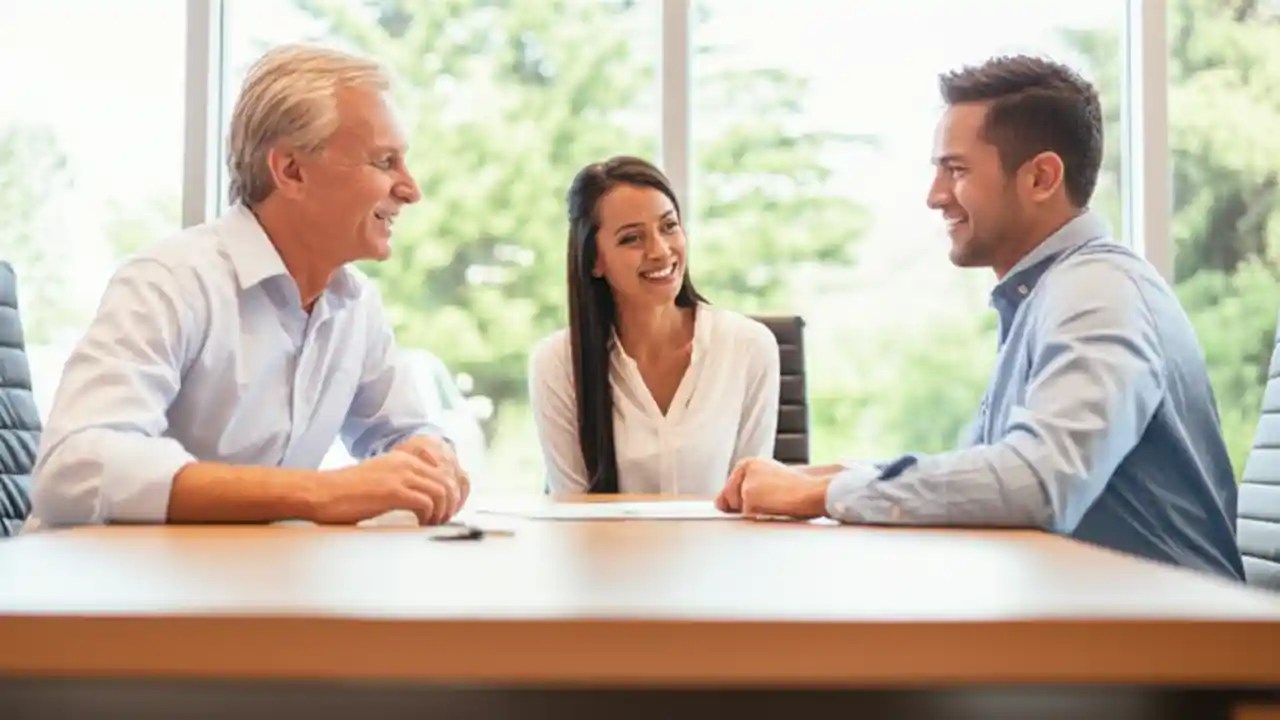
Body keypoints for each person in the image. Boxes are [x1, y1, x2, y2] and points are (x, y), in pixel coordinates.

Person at [717, 55, 1245, 580]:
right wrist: (836, 475)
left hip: (1164, 645)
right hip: (1100, 626)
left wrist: (822, 493)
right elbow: (989, 474)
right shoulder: (1047, 293)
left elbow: (1038, 482)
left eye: (957, 170)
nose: (934, 196)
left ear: (1040, 177)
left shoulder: (1098, 292)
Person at [25, 45, 467, 530]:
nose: (411, 189)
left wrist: (428, 456)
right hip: (106, 594)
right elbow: (76, 469)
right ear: (291, 171)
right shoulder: (171, 280)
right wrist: (320, 492)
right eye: (385, 162)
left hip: (244, 587)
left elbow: (401, 431)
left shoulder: (355, 304)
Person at [529, 156, 780, 495]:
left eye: (669, 226)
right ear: (594, 260)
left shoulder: (749, 347)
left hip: (722, 549)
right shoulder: (557, 362)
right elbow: (572, 510)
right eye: (632, 238)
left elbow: (751, 497)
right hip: (603, 549)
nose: (660, 251)